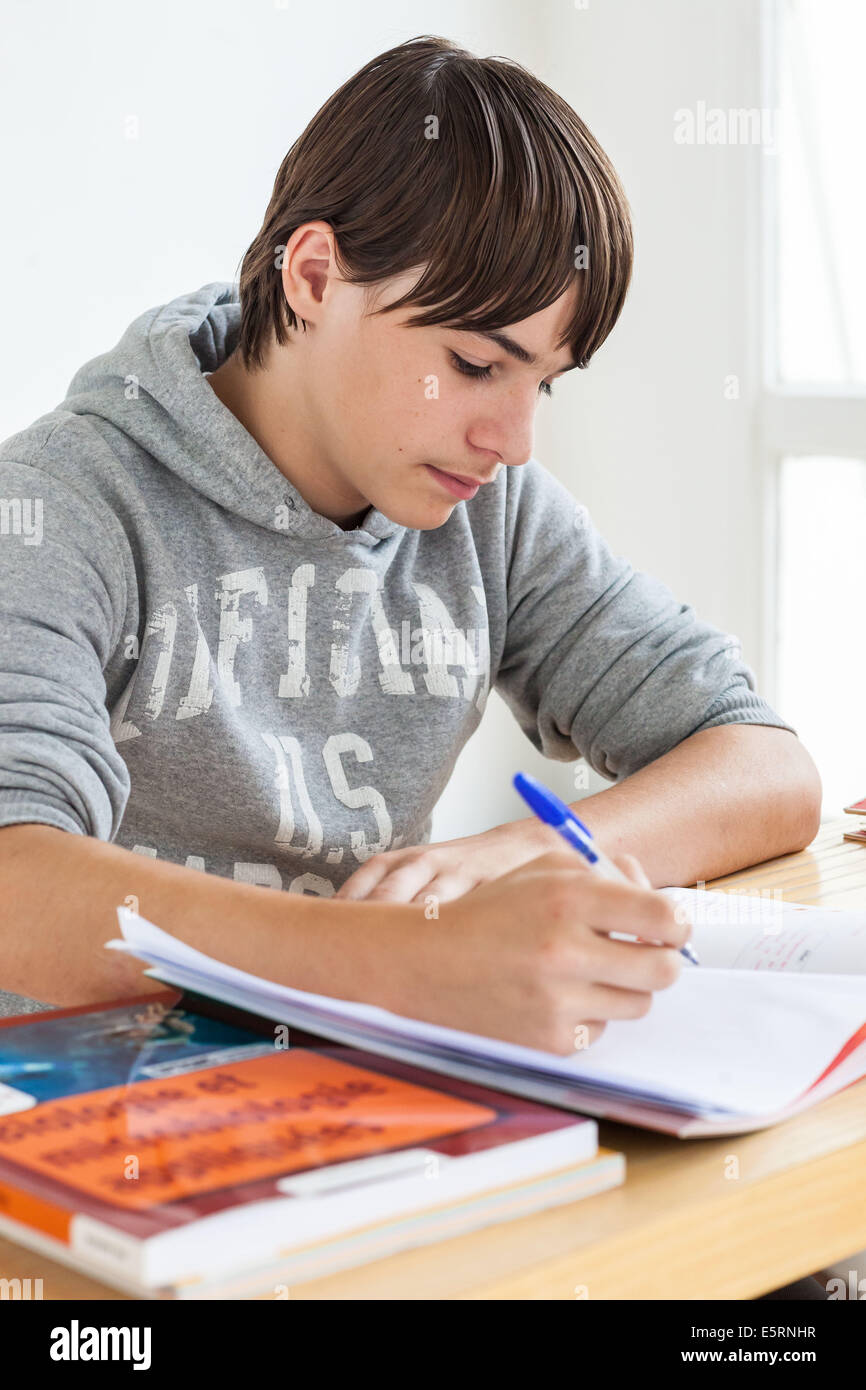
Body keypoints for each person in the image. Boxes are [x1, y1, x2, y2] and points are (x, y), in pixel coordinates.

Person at [0, 36, 820, 1056]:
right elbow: (13, 885)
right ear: (311, 276)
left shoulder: (491, 506)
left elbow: (764, 767)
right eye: (476, 364)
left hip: (371, 1094)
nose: (513, 439)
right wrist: (400, 960)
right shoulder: (60, 502)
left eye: (543, 381)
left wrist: (514, 861)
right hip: (84, 1131)